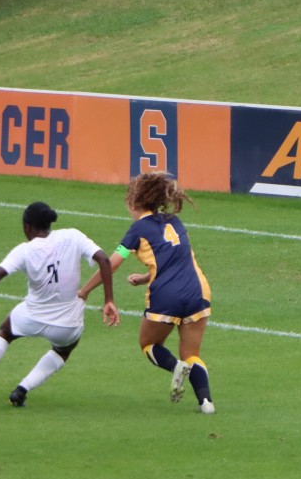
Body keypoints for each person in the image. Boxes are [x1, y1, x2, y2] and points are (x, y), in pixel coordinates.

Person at [0, 201, 119, 407]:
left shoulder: (25, 250)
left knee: (5, 331)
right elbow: (104, 260)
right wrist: (109, 300)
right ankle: (21, 390)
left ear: (27, 227)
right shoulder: (73, 236)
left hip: (31, 316)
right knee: (63, 350)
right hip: (66, 323)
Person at [79, 171, 216, 414]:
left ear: (135, 203)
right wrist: (144, 277)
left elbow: (111, 263)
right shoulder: (175, 221)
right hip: (198, 290)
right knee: (192, 353)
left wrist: (85, 290)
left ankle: (175, 367)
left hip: (166, 296)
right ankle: (206, 403)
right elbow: (173, 259)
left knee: (149, 343)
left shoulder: (136, 230)